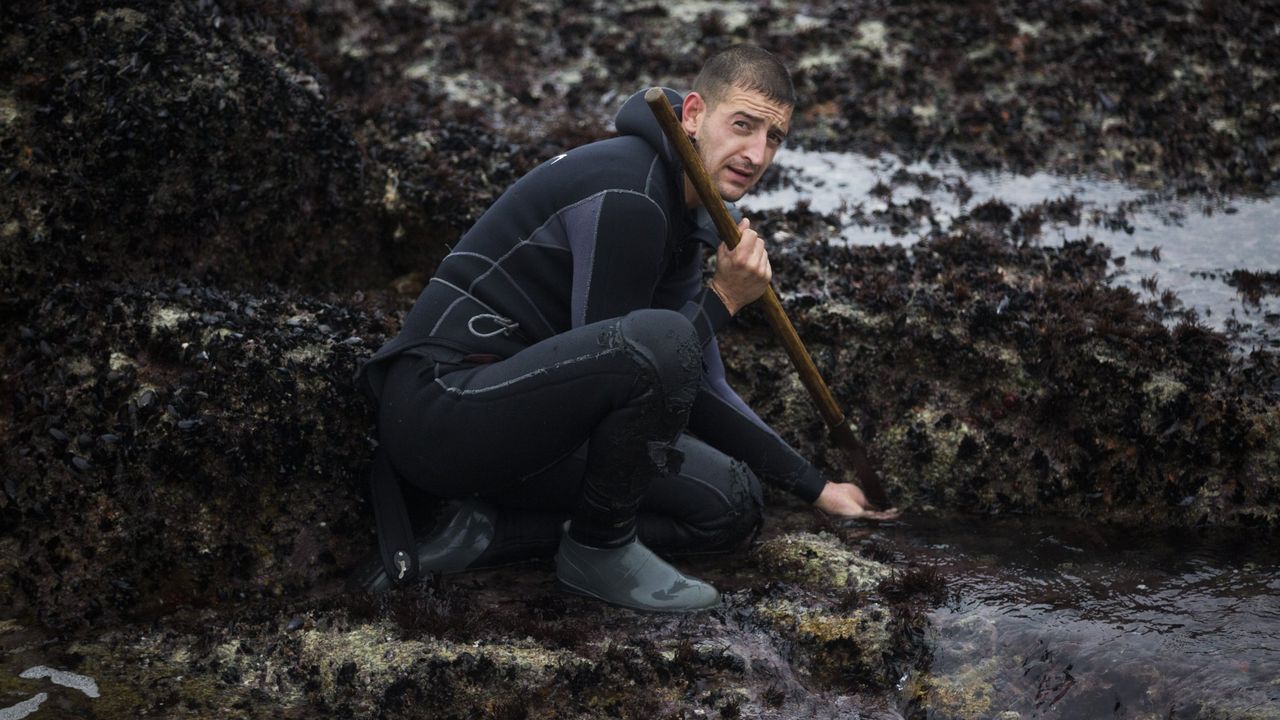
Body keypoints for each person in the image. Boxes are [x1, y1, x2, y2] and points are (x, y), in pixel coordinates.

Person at [353, 44, 894, 612]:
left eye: (774, 137)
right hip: (442, 411)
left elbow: (697, 386)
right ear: (692, 114)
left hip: (522, 420)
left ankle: (485, 534)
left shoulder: (691, 217)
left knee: (733, 504)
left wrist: (817, 488)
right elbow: (634, 361)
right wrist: (722, 300)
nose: (756, 153)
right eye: (743, 125)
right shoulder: (630, 191)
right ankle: (598, 548)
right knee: (654, 349)